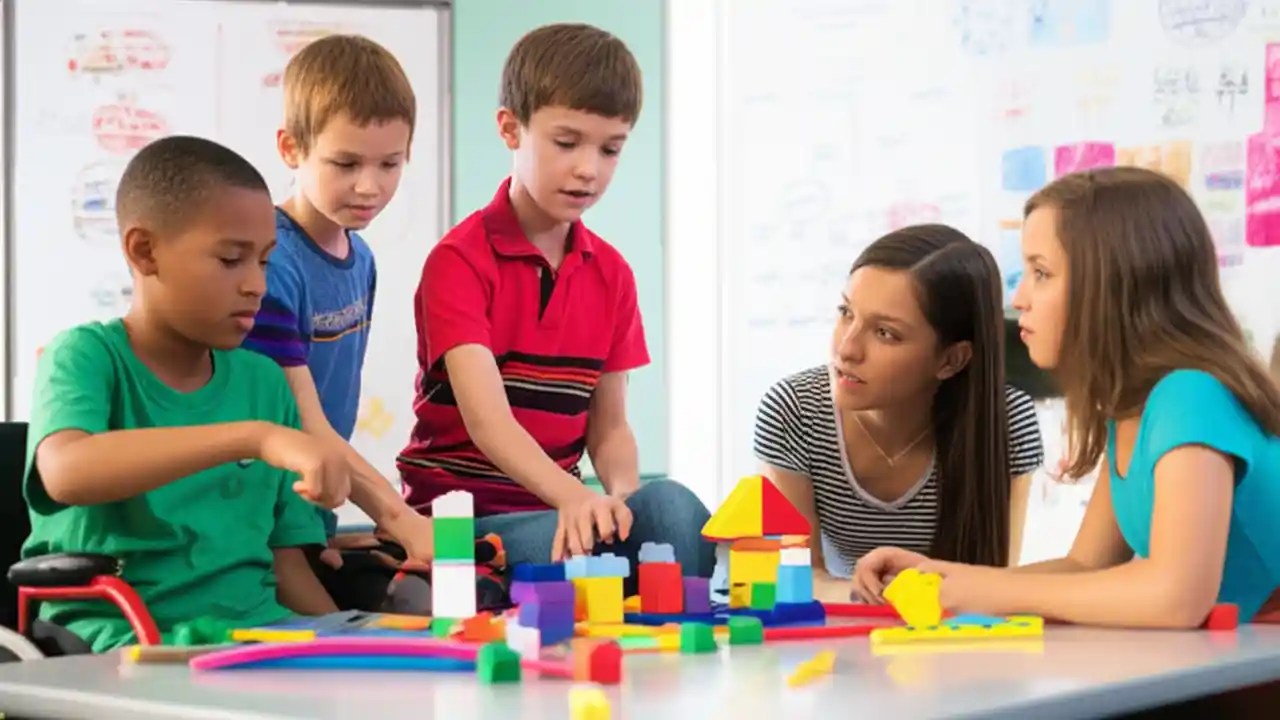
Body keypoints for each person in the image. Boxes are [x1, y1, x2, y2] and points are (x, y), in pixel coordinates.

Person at [853, 167, 1280, 630]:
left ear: (1114, 283)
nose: (1019, 299)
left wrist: (980, 591)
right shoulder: (1135, 406)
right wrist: (946, 577)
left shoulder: (1191, 396)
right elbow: (1086, 566)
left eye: (1041, 272)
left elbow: (1175, 596)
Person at [397, 23, 713, 584]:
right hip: (464, 518)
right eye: (567, 143)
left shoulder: (612, 273)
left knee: (675, 512)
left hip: (564, 512)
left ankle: (652, 622)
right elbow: (489, 423)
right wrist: (572, 497)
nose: (588, 168)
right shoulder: (459, 261)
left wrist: (621, 502)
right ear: (510, 129)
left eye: (610, 149)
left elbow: (610, 428)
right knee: (578, 557)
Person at [21, 136, 342, 652]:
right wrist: (253, 438)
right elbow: (67, 471)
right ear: (144, 251)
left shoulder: (263, 381)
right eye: (231, 259)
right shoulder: (84, 357)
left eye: (263, 261)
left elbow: (287, 567)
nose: (256, 285)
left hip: (260, 637)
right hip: (126, 645)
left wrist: (350, 644)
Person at [754, 224, 1045, 603]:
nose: (847, 348)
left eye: (885, 333)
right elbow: (793, 578)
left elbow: (994, 579)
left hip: (951, 636)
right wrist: (882, 599)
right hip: (841, 628)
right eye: (846, 312)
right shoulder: (794, 410)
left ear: (951, 359)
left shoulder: (1007, 421)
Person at [240, 35, 433, 589]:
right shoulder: (272, 263)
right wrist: (397, 517)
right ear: (291, 148)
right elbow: (302, 420)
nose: (369, 186)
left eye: (389, 163)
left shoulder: (361, 259)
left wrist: (324, 526)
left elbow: (337, 406)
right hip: (257, 527)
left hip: (310, 518)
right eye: (345, 163)